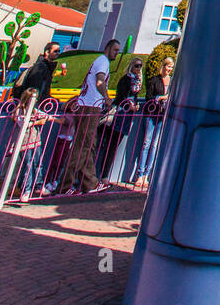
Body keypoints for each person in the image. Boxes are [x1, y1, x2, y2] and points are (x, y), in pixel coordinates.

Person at [58, 39, 120, 195]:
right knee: (82, 146)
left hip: (91, 105)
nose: (116, 53)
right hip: (90, 106)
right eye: (115, 50)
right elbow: (100, 82)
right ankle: (65, 185)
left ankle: (89, 183)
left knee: (89, 145)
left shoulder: (101, 61)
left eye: (118, 51)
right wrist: (106, 97)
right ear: (107, 48)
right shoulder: (103, 62)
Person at [134, 56, 174, 189]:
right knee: (146, 143)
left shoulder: (172, 82)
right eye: (168, 66)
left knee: (154, 145)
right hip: (151, 114)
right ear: (163, 66)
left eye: (171, 67)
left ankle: (147, 174)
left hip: (162, 116)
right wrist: (161, 97)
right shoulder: (154, 80)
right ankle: (140, 174)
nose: (169, 69)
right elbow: (148, 97)